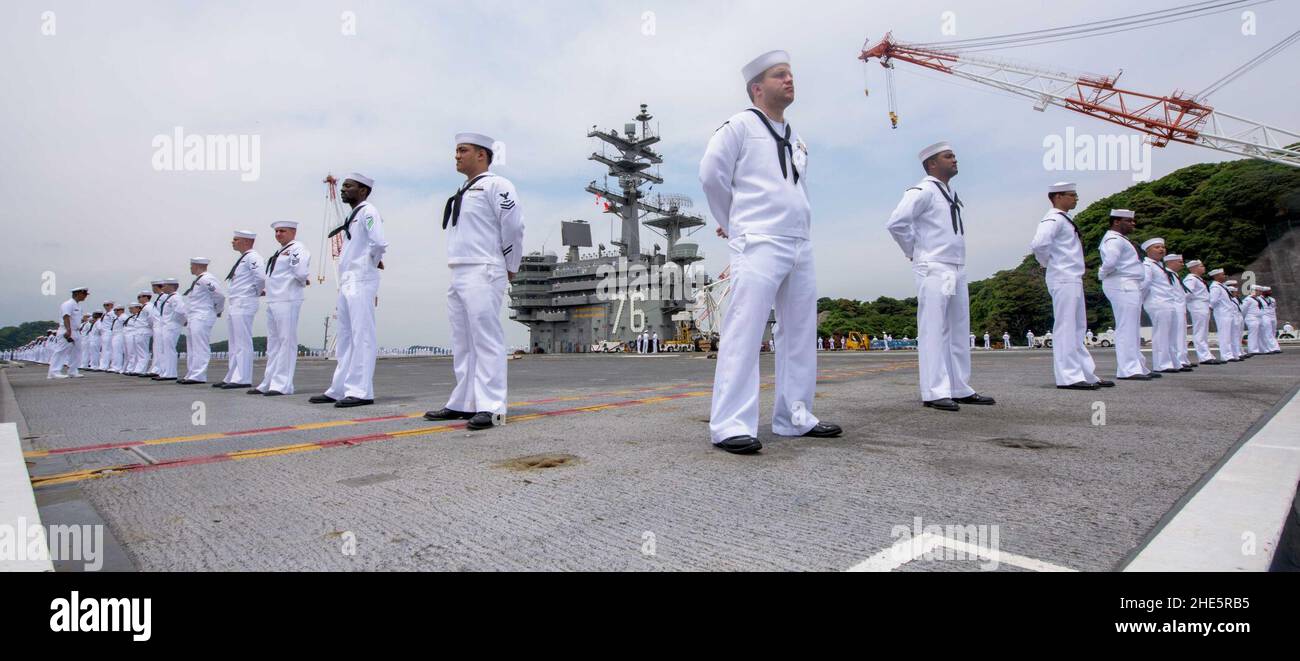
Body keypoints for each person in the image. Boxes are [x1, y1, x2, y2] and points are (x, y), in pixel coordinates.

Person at [698, 49, 840, 452]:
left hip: (799, 241)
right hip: (758, 239)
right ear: (757, 88)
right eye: (780, 75)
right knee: (745, 329)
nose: (790, 80)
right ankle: (729, 425)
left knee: (798, 330)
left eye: (791, 74)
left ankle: (794, 416)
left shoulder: (796, 136)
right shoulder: (740, 126)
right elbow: (711, 175)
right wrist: (734, 223)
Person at [886, 141, 995, 412]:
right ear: (932, 164)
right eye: (949, 156)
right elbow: (896, 222)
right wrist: (915, 251)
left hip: (957, 265)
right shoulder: (923, 191)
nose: (955, 159)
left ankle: (959, 387)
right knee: (934, 329)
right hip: (934, 265)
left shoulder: (949, 192)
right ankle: (934, 390)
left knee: (958, 330)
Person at [423, 135, 523, 429]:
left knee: (485, 339)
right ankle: (464, 402)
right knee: (463, 341)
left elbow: (514, 225)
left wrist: (511, 264)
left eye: (462, 150)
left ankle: (491, 406)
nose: (456, 155)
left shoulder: (497, 185)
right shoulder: (465, 190)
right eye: (456, 150)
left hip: (484, 268)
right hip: (460, 270)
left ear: (481, 155)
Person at [311, 173, 388, 408]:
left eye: (348, 186)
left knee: (362, 335)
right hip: (347, 281)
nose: (343, 190)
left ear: (363, 190)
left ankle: (361, 391)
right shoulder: (352, 215)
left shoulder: (367, 212)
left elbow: (379, 243)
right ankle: (340, 388)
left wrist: (370, 263)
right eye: (343, 186)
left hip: (361, 278)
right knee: (345, 337)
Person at [252, 221, 311, 396]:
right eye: (276, 231)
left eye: (282, 231)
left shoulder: (297, 249)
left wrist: (300, 282)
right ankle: (268, 382)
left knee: (286, 342)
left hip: (287, 298)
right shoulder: (279, 252)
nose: (278, 234)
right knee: (274, 344)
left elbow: (300, 272)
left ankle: (282, 384)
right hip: (274, 299)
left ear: (293, 232)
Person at [1097, 210, 1154, 380]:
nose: (1133, 224)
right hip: (1121, 284)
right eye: (1128, 221)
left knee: (1132, 328)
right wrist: (1101, 274)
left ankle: (1138, 365)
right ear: (1116, 222)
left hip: (1128, 284)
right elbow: (1110, 261)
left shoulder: (1121, 239)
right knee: (1126, 327)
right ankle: (1128, 368)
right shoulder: (1113, 239)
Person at [216, 230, 265, 389]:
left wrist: (255, 292)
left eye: (235, 239)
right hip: (236, 302)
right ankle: (232, 375)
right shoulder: (243, 258)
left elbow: (261, 277)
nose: (232, 242)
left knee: (243, 342)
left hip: (244, 302)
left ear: (245, 241)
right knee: (235, 342)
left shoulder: (252, 257)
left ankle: (242, 378)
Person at [179, 258, 226, 384]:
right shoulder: (199, 280)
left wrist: (217, 310)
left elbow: (219, 295)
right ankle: (191, 373)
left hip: (202, 315)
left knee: (200, 346)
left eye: (191, 265)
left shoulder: (206, 279)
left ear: (197, 266)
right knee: (193, 346)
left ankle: (198, 375)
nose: (190, 268)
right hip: (194, 316)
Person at [1181, 259, 1221, 365]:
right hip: (1197, 306)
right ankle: (1204, 356)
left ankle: (1207, 354)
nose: (1203, 268)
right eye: (1201, 266)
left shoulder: (1198, 279)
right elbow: (1186, 294)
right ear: (1194, 268)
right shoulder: (1191, 279)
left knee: (1203, 332)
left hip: (1202, 305)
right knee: (1200, 332)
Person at [48, 286, 89, 379]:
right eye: (84, 294)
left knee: (77, 351)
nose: (85, 296)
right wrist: (68, 330)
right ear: (77, 294)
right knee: (61, 351)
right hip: (67, 330)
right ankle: (54, 372)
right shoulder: (68, 304)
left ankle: (73, 371)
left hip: (76, 331)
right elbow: (66, 317)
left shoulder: (78, 305)